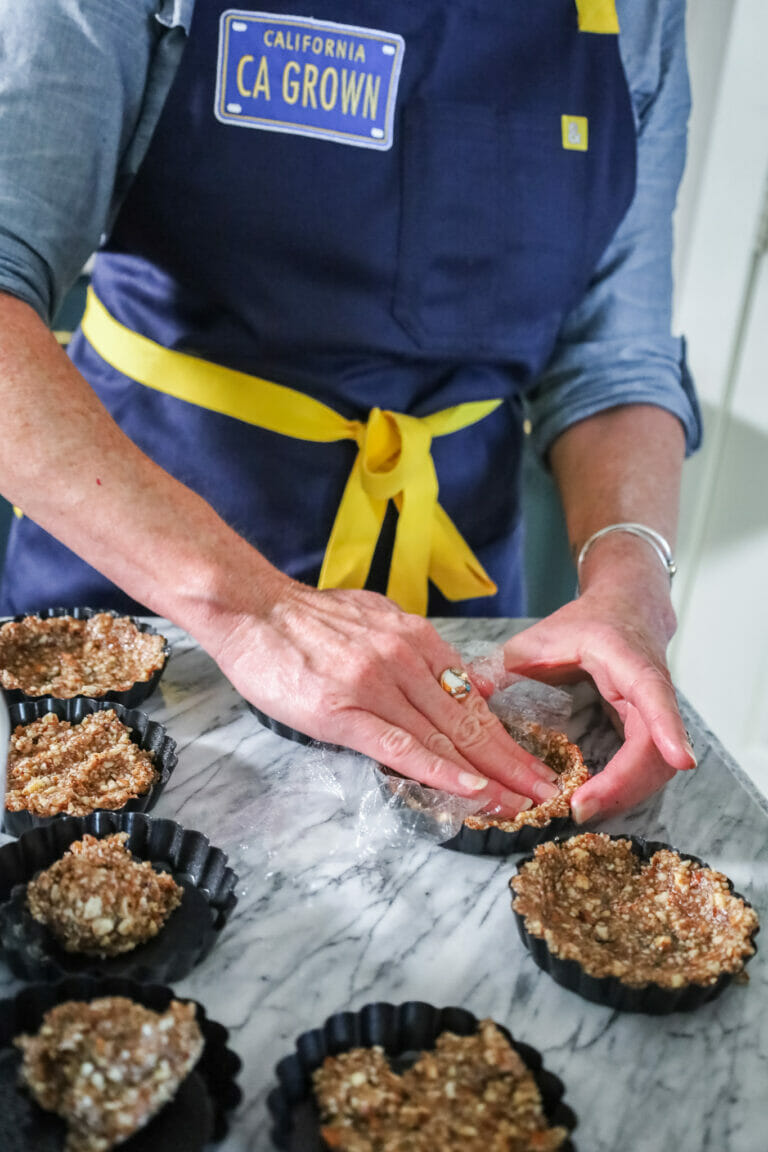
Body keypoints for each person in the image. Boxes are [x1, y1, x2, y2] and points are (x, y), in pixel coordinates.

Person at [0, 0, 700, 824]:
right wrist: (252, 607)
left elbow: (612, 357)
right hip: (142, 610)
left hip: (458, 633)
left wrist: (632, 584)